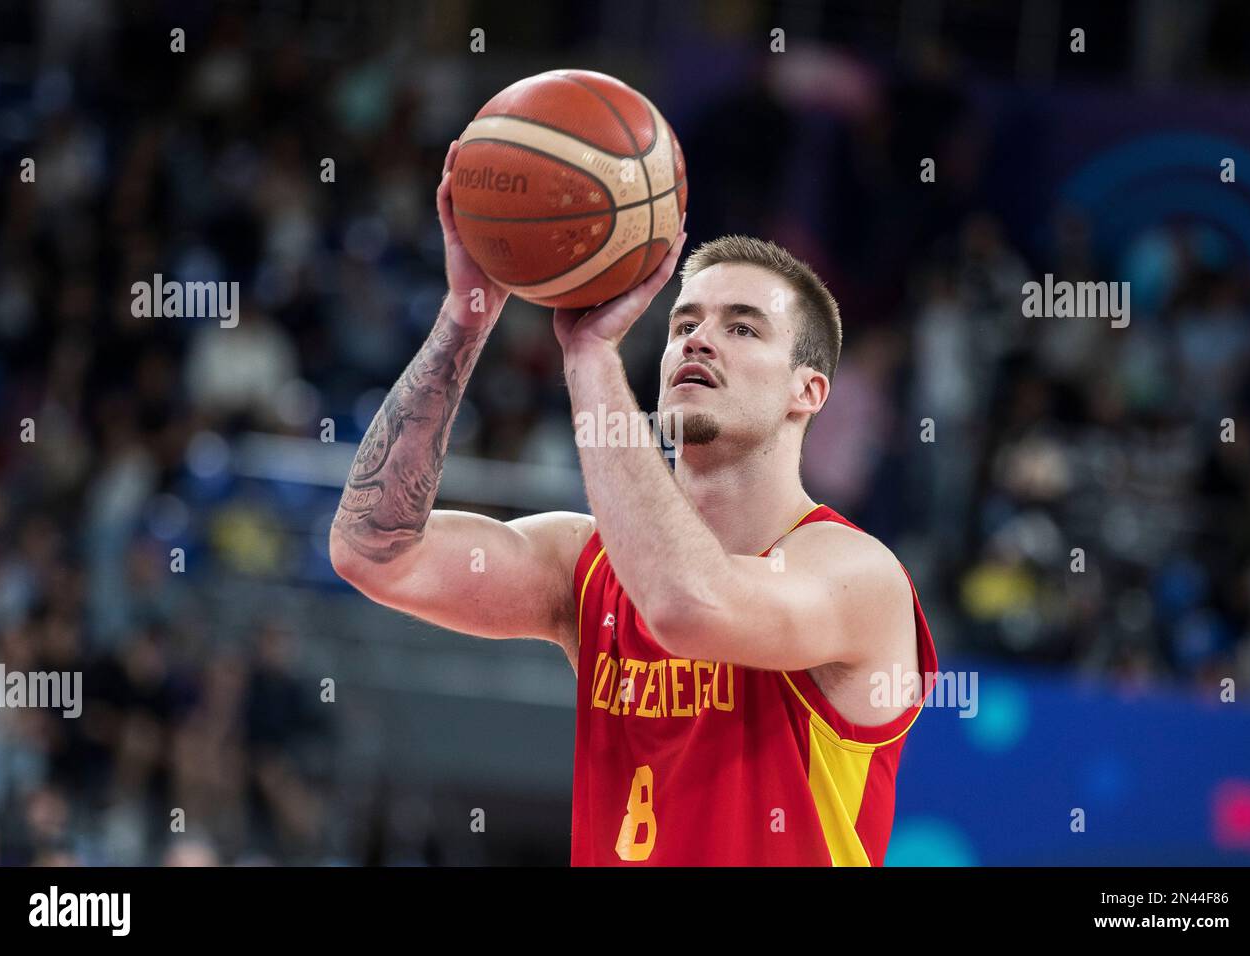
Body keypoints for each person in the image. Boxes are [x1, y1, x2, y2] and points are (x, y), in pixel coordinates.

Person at [330, 140, 937, 866]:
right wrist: (468, 316)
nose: (698, 341)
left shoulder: (856, 573)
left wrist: (589, 358)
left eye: (741, 327)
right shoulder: (584, 565)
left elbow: (686, 606)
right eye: (684, 324)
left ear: (808, 391)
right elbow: (374, 550)